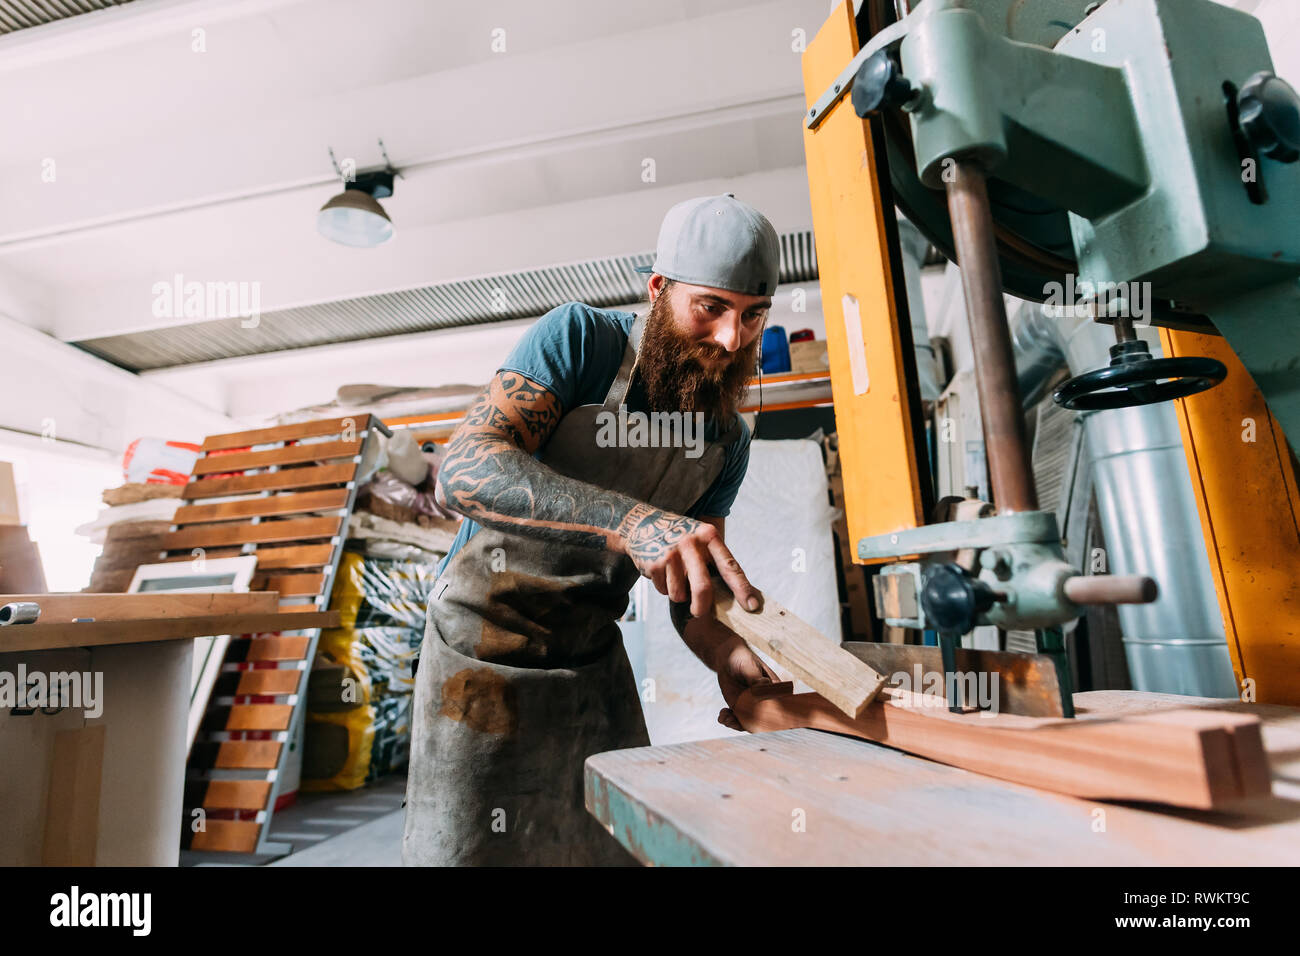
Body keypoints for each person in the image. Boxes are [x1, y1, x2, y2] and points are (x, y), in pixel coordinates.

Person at [403, 194, 782, 865]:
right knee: (467, 851)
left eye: (753, 317)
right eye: (712, 308)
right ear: (660, 290)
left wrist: (727, 653)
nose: (732, 339)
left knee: (615, 847)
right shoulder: (580, 341)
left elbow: (687, 586)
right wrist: (630, 521)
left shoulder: (725, 440)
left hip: (589, 658)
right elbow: (462, 470)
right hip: (482, 652)